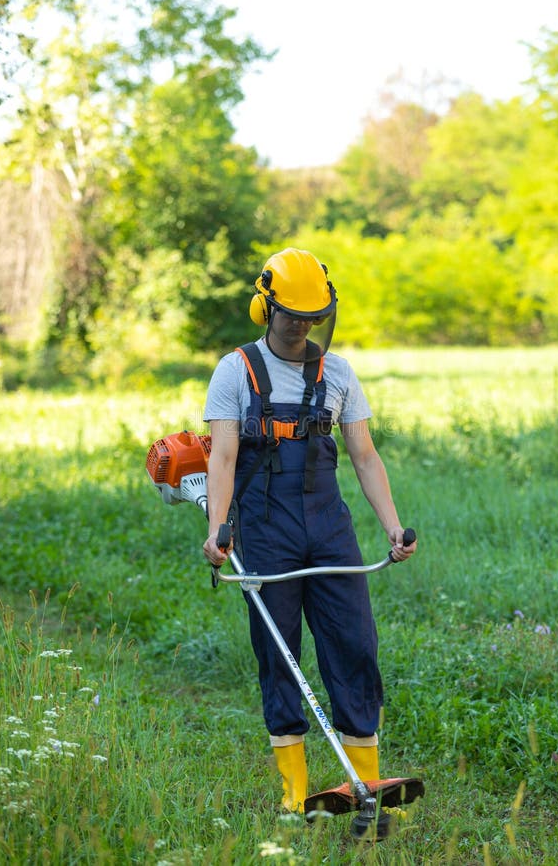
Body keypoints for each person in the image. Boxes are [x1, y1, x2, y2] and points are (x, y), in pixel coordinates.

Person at [202, 247, 416, 813]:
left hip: (329, 527)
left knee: (355, 644)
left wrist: (393, 527)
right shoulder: (235, 371)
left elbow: (365, 456)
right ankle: (293, 794)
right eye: (292, 314)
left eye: (312, 315)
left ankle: (364, 782)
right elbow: (222, 457)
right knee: (280, 654)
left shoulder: (338, 373)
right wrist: (218, 528)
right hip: (265, 528)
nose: (302, 325)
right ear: (265, 307)